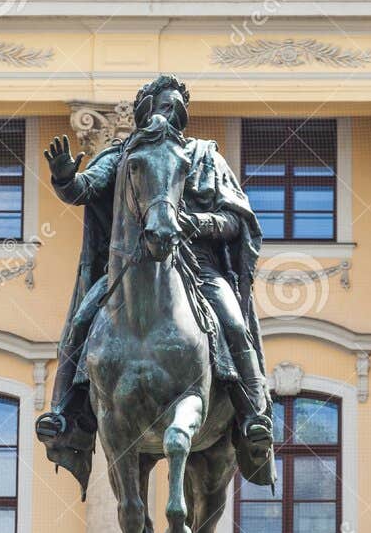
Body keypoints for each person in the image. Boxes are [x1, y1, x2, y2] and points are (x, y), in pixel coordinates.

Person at [36, 73, 275, 494]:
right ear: (145, 110)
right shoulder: (124, 154)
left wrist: (192, 222)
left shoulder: (204, 157)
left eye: (178, 107)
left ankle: (254, 414)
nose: (171, 113)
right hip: (128, 268)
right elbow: (84, 189)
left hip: (197, 268)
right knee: (80, 322)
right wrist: (63, 178)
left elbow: (236, 220)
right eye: (164, 105)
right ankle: (62, 412)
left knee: (234, 324)